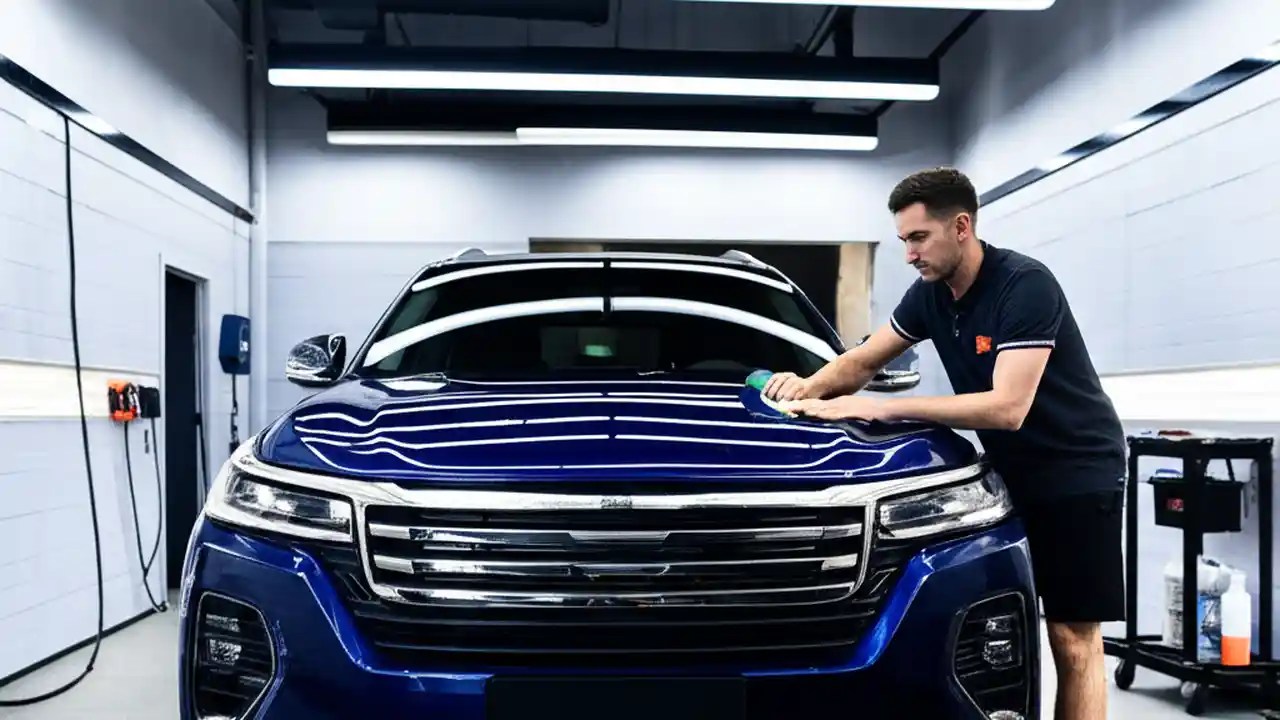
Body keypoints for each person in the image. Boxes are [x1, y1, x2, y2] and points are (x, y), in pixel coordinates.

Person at [764, 166, 1126, 720]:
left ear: (961, 226)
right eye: (903, 240)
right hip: (1006, 475)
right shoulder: (930, 295)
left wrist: (876, 408)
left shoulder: (1024, 285)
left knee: (1072, 639)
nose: (909, 253)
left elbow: (1007, 407)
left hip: (1076, 472)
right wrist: (803, 393)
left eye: (917, 238)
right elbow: (862, 362)